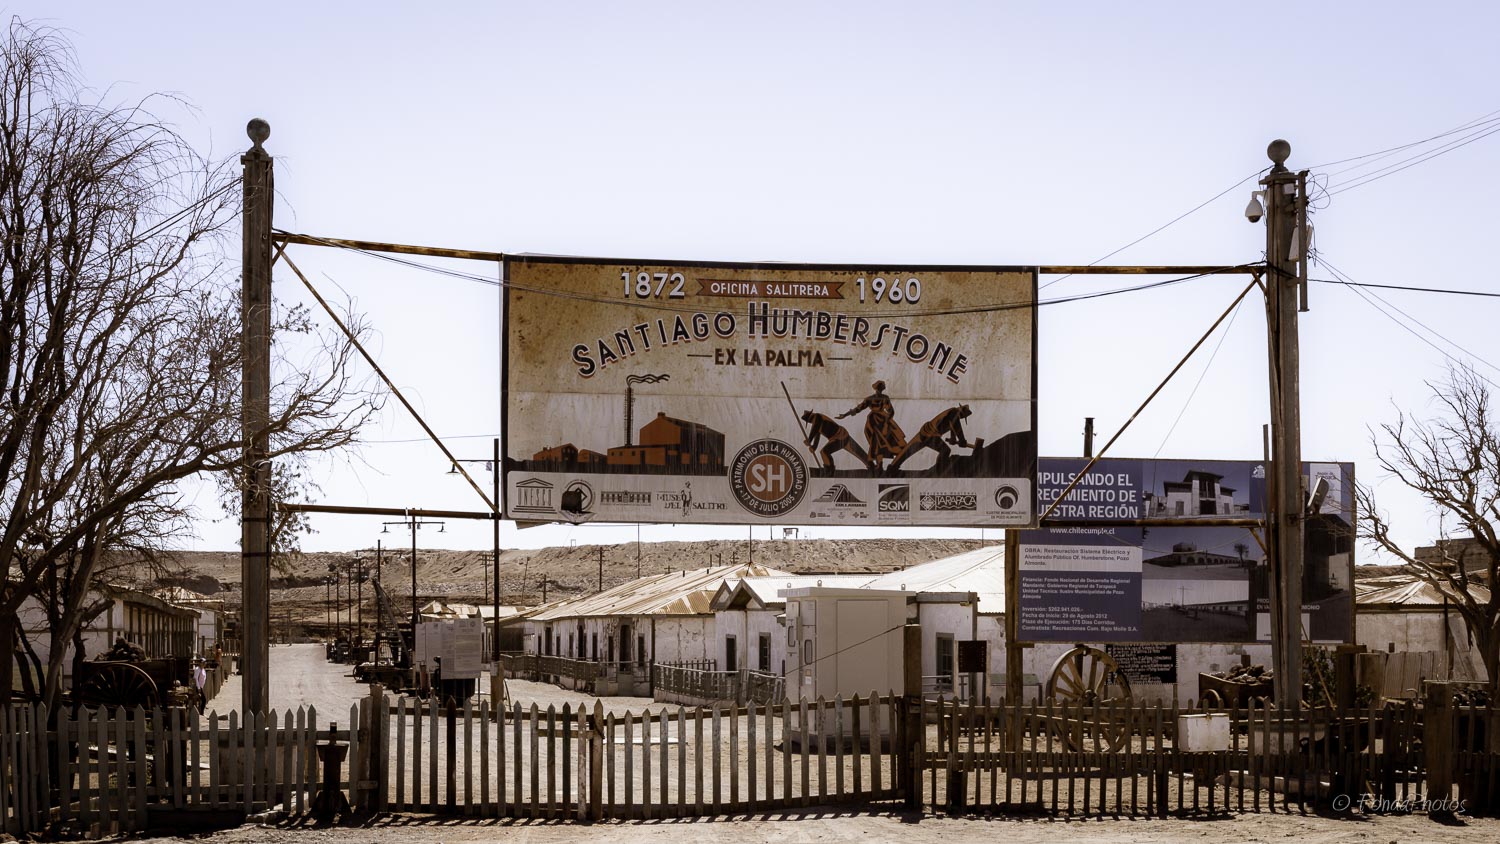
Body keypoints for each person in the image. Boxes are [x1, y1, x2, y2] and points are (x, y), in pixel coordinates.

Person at [837, 381, 907, 470]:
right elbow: (859, 408)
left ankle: (882, 465)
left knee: (878, 443)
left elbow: (859, 408)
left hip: (879, 421)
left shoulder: (875, 398)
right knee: (877, 443)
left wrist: (845, 415)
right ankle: (880, 465)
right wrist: (845, 415)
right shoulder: (877, 398)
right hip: (876, 422)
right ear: (881, 388)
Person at [889, 404, 974, 471]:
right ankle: (940, 470)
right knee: (945, 450)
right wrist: (962, 440)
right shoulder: (954, 412)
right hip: (931, 435)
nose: (962, 418)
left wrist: (953, 439)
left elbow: (953, 428)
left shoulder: (952, 414)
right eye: (963, 416)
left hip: (925, 432)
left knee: (908, 450)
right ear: (961, 412)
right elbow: (956, 427)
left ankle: (892, 468)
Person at [801, 410, 875, 472]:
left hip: (839, 437)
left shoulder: (817, 417)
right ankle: (872, 467)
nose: (811, 422)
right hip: (840, 436)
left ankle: (829, 471)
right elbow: (816, 435)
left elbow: (814, 430)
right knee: (859, 453)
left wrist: (809, 440)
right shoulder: (816, 421)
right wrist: (814, 446)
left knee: (824, 452)